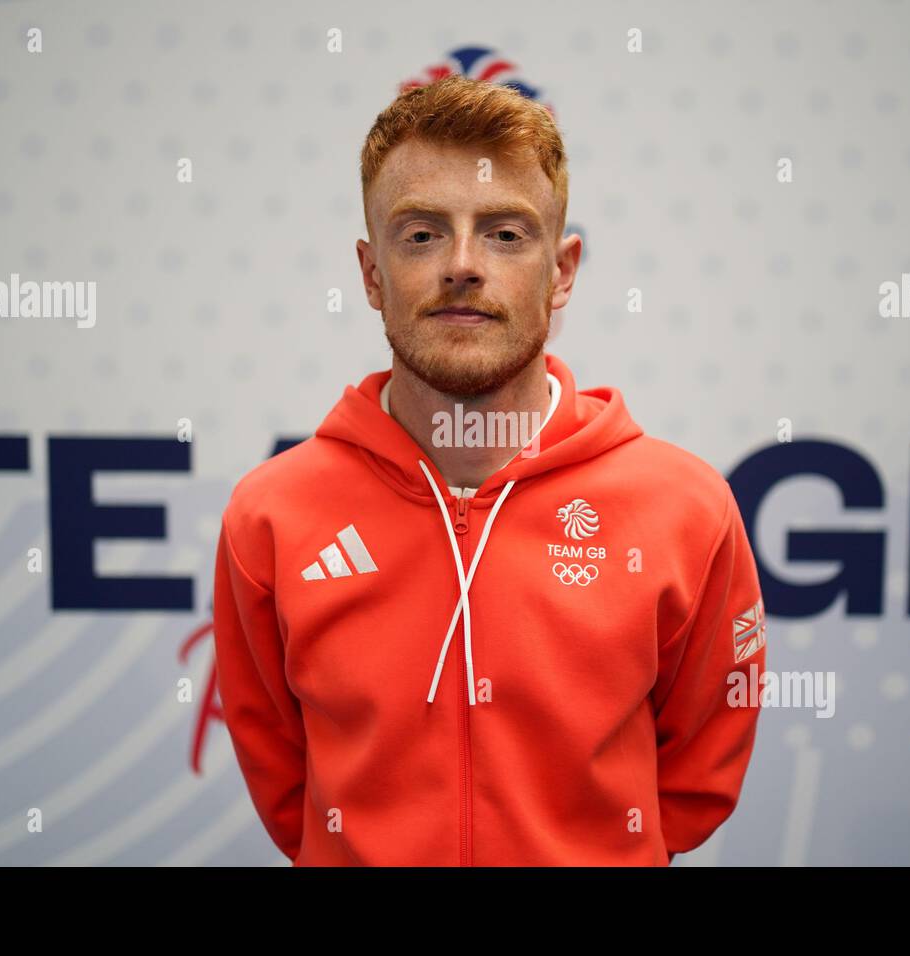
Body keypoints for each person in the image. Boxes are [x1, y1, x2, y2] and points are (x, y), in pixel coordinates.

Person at [212, 74, 767, 866]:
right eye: (421, 234)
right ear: (371, 275)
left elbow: (694, 777)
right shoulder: (272, 514)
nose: (463, 266)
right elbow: (283, 780)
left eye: (506, 234)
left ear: (563, 270)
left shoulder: (684, 508)